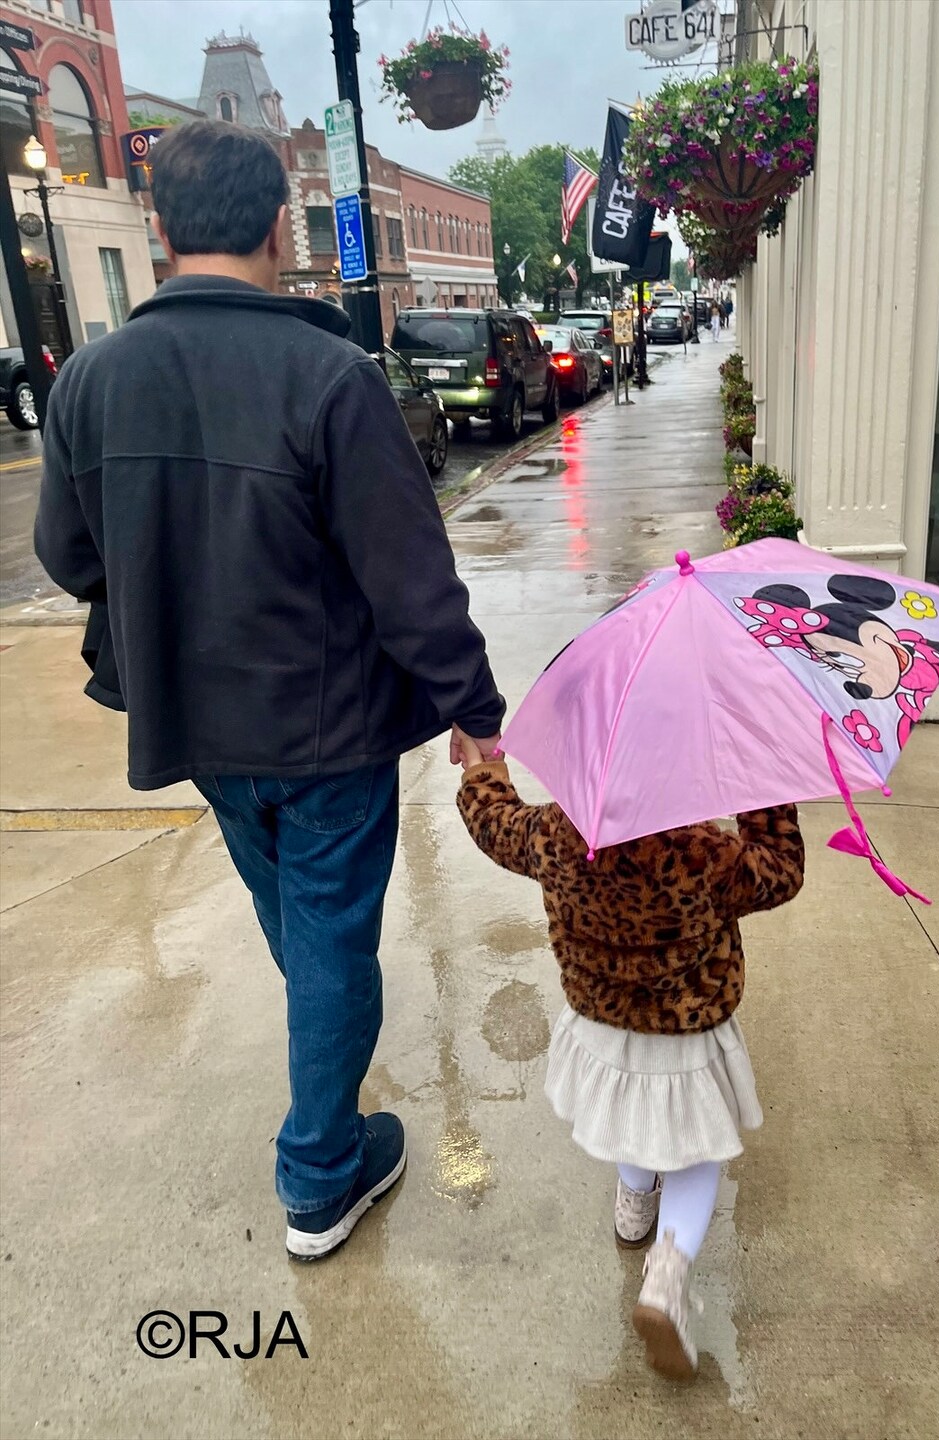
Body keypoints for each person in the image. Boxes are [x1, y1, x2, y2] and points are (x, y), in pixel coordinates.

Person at [34, 121, 504, 1262]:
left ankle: (327, 1067)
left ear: (158, 228)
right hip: (329, 724)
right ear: (279, 227)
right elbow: (409, 576)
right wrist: (476, 711)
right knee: (332, 937)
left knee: (303, 926)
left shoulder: (92, 378)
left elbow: (67, 555)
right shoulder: (329, 374)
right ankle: (321, 1174)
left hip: (198, 723)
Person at [455, 739, 804, 1380]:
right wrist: (763, 783)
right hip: (686, 1030)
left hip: (603, 1025)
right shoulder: (705, 854)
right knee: (697, 1152)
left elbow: (493, 827)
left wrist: (485, 770)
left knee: (631, 1118)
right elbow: (782, 870)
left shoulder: (555, 833)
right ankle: (667, 1275)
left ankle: (634, 1203)